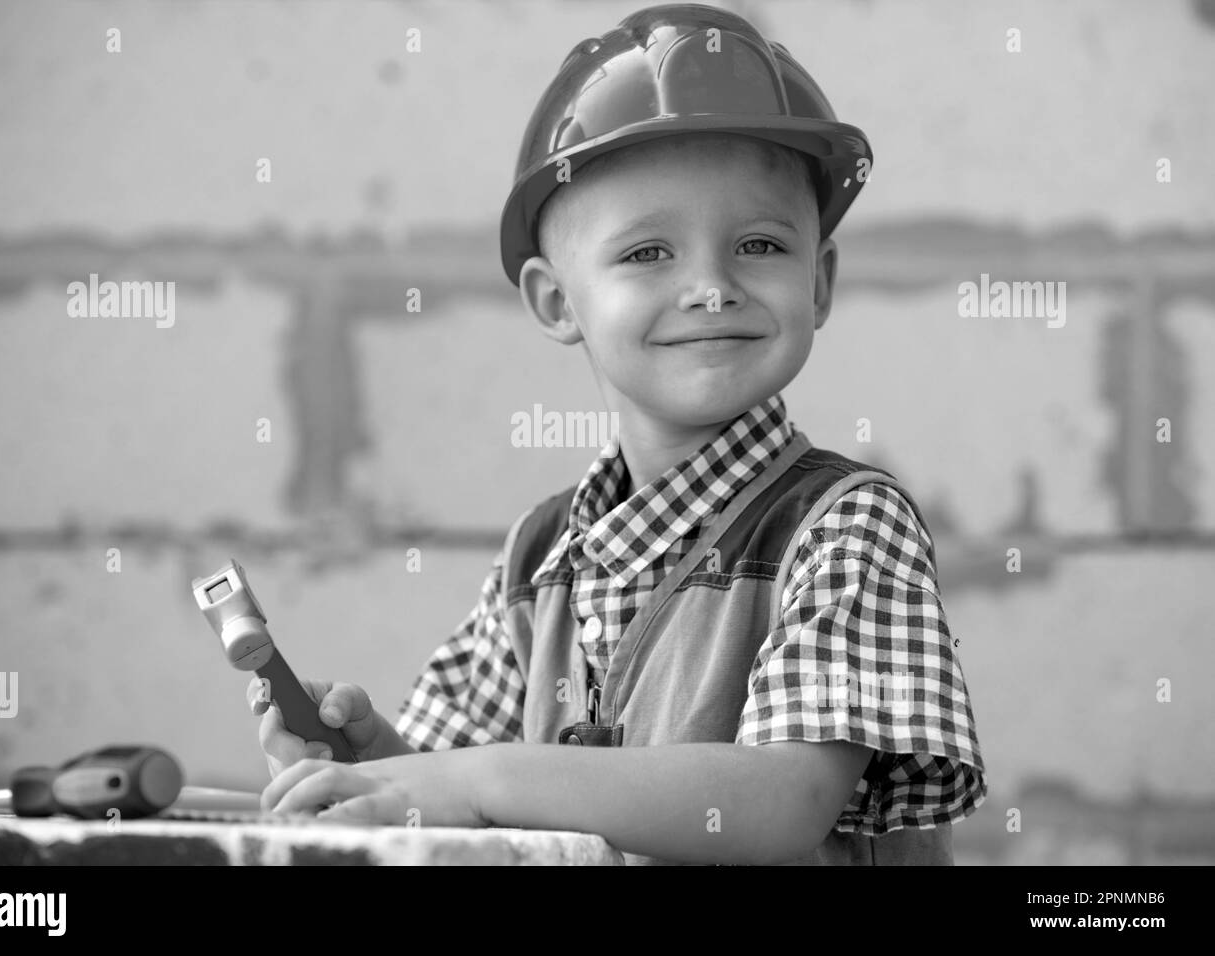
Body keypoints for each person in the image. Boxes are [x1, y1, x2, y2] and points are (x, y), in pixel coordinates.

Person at [248, 2, 986, 866]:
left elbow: (782, 800)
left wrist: (472, 780)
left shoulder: (845, 528)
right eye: (646, 254)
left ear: (818, 283)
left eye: (758, 244)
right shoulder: (538, 559)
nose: (712, 287)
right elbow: (451, 797)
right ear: (558, 302)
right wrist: (374, 766)